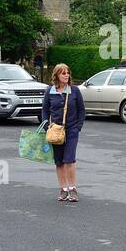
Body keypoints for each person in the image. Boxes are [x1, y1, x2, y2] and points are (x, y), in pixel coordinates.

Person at [44, 63, 85, 202]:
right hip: (55, 130)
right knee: (59, 161)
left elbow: (81, 110)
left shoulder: (74, 91)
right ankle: (63, 189)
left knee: (69, 160)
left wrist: (78, 127)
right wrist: (46, 127)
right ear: (56, 75)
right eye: (63, 73)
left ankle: (73, 189)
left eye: (67, 72)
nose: (66, 75)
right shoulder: (50, 91)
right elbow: (44, 110)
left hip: (72, 129)